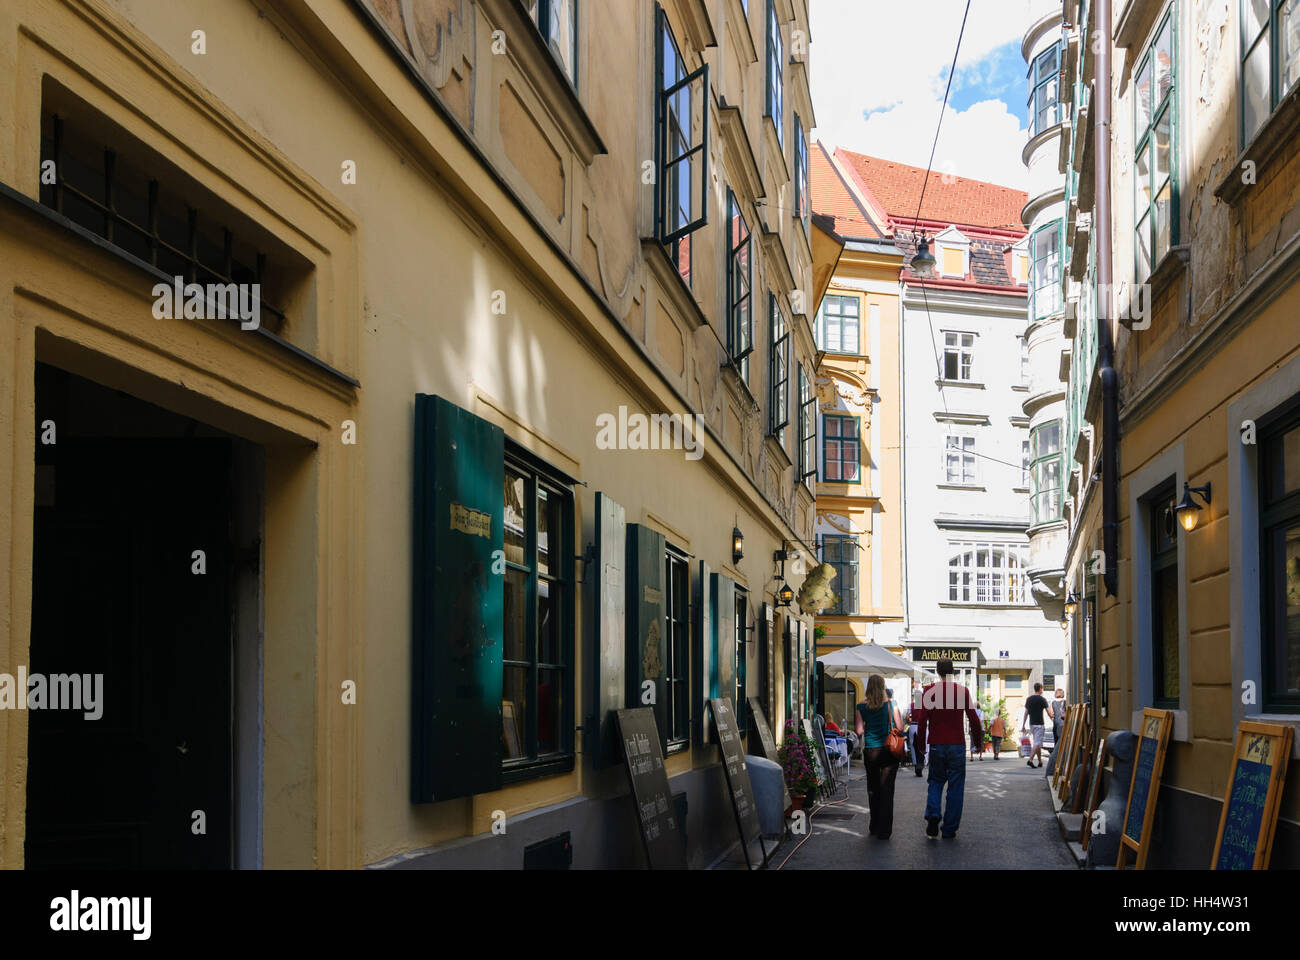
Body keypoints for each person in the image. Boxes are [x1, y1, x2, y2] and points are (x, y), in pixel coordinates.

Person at [914, 658, 983, 840]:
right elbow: (974, 721)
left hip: (936, 744)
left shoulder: (929, 692)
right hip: (957, 745)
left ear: (937, 671)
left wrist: (921, 745)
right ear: (952, 671)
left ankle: (934, 813)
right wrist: (977, 743)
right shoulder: (962, 691)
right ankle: (950, 828)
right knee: (956, 787)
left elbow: (921, 722)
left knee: (935, 782)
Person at [855, 675, 902, 840]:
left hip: (871, 751)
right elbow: (900, 727)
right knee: (887, 790)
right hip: (889, 751)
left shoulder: (861, 706)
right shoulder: (892, 704)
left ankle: (874, 825)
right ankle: (885, 830)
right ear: (883, 687)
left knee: (873, 789)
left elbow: (859, 731)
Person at [1022, 682, 1053, 769]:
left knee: (1037, 742)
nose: (1042, 690)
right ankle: (1030, 760)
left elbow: (1026, 713)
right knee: (1037, 743)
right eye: (1042, 688)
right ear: (1040, 689)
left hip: (1032, 724)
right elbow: (1048, 712)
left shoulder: (1029, 699)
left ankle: (1040, 761)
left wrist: (1023, 724)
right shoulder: (1042, 699)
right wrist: (1053, 719)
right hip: (1039, 724)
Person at [907, 684, 924, 776]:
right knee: (923, 746)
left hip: (913, 726)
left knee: (913, 746)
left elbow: (907, 717)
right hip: (922, 727)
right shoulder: (925, 705)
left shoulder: (911, 705)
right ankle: (921, 764)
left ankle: (916, 764)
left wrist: (910, 719)